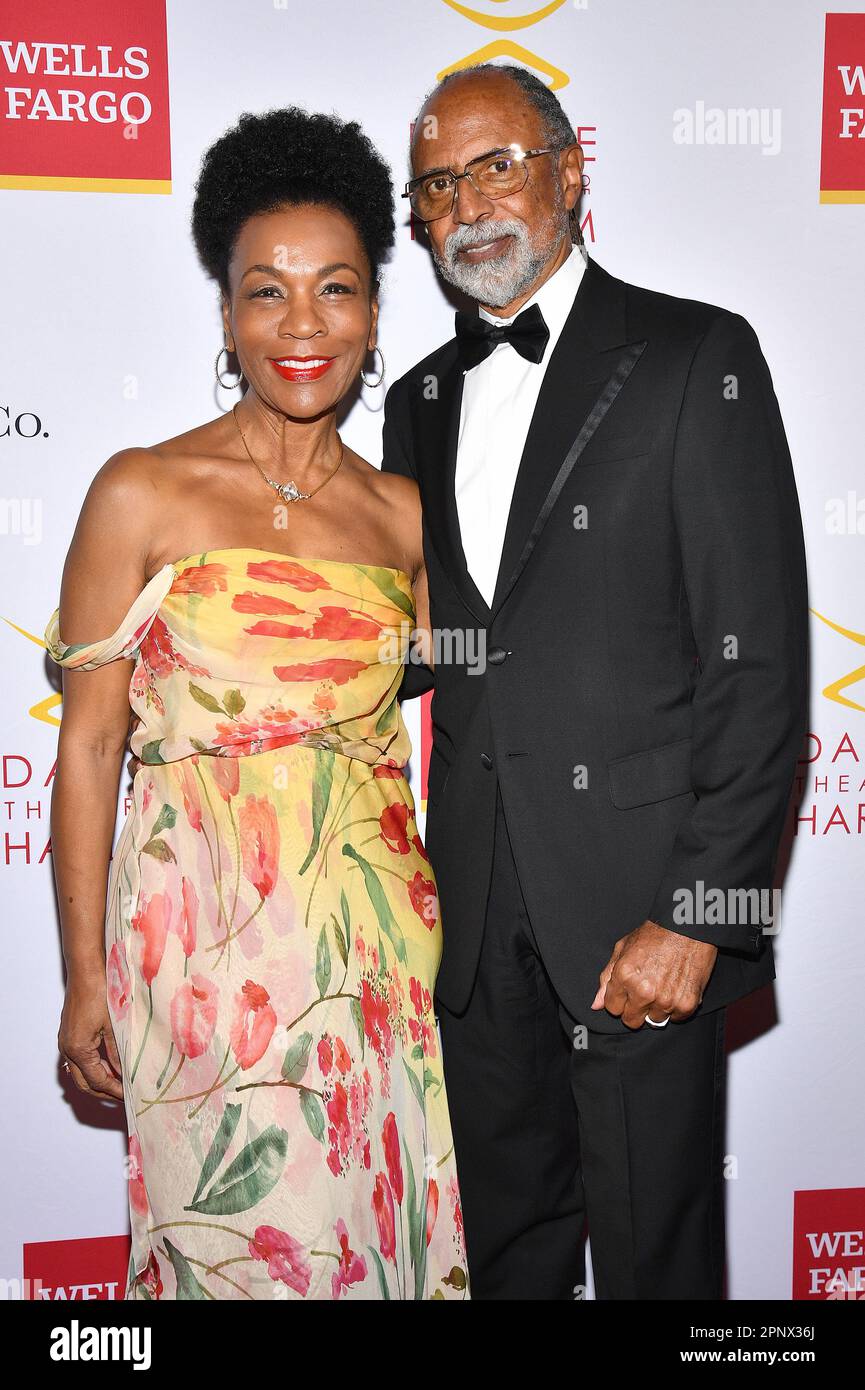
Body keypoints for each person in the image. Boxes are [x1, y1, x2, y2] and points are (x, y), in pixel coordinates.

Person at [381, 63, 808, 1299]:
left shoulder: (694, 357)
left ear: (572, 173)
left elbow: (760, 663)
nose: (468, 203)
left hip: (640, 915)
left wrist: (700, 911)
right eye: (438, 185)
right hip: (470, 925)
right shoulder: (415, 401)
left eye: (496, 164)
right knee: (502, 1261)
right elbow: (433, 642)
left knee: (654, 1269)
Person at [44, 107, 468, 1301]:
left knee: (374, 1244)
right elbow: (88, 752)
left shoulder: (402, 516)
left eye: (334, 290)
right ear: (226, 316)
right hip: (198, 952)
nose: (301, 325)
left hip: (375, 950)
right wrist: (86, 973)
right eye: (264, 292)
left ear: (377, 314)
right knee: (232, 1254)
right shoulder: (141, 491)